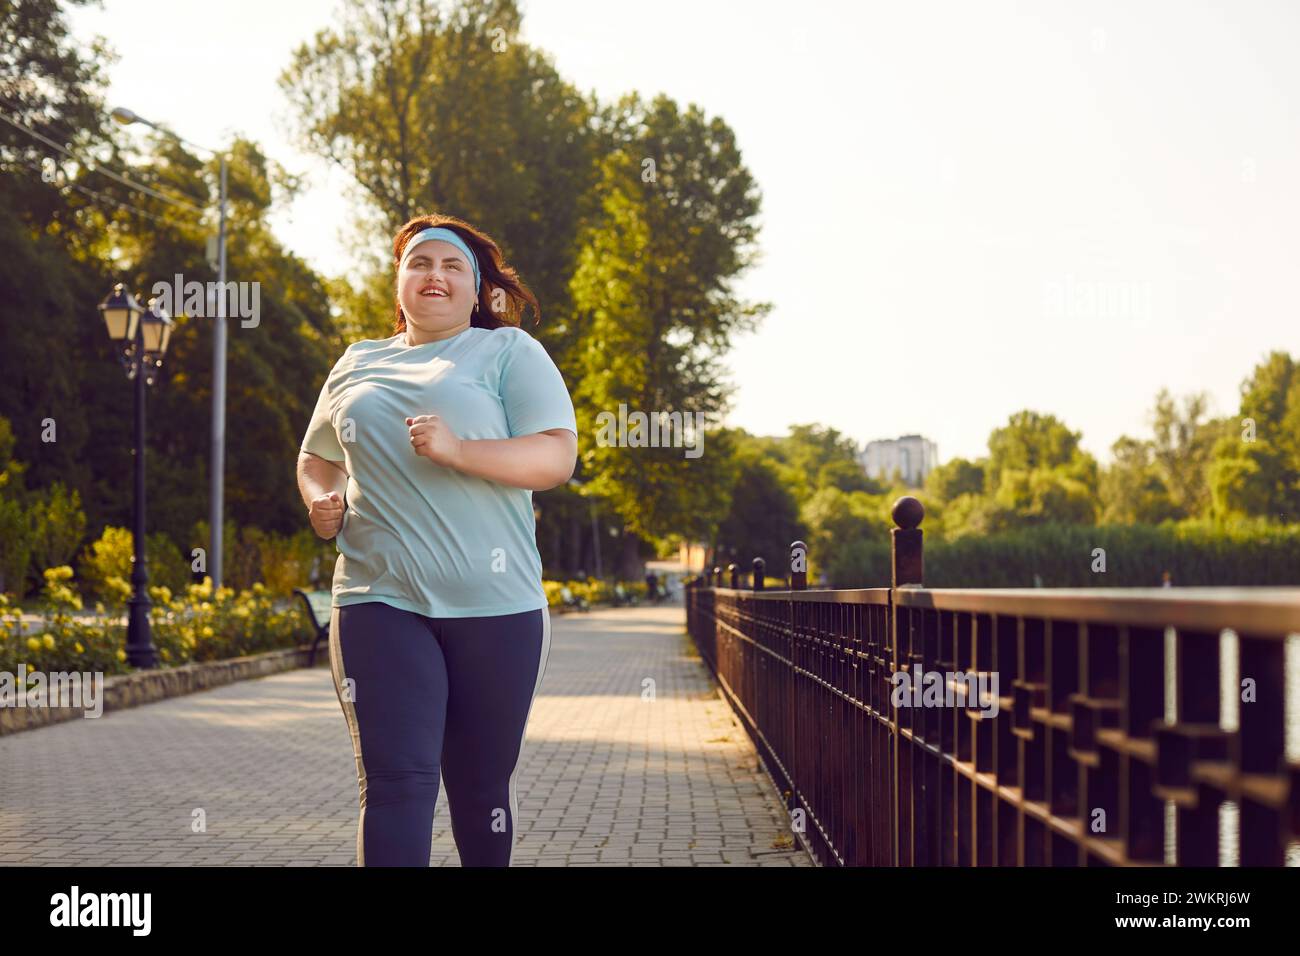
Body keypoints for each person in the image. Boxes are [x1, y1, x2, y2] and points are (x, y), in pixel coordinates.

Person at [296, 214, 578, 867]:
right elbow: (317, 456)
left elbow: (554, 457)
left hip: (497, 609)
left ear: (478, 291)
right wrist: (320, 500)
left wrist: (458, 450)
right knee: (397, 785)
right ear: (399, 284)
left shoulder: (507, 353)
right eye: (420, 262)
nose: (435, 275)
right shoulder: (356, 362)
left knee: (481, 791)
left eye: (453, 267)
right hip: (378, 601)